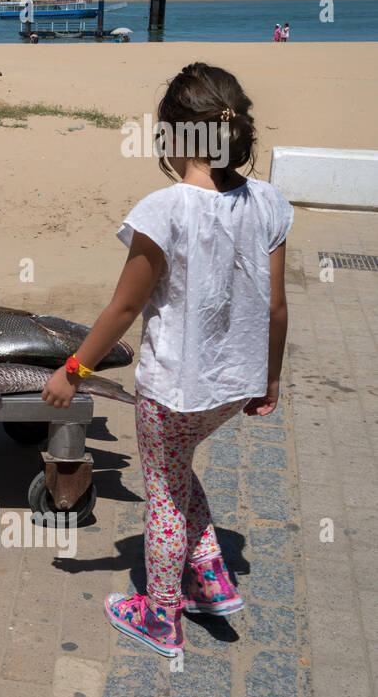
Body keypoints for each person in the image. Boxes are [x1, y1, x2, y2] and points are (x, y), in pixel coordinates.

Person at [42, 63, 292, 658]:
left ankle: (160, 615)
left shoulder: (165, 209)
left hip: (174, 389)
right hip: (234, 387)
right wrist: (270, 377)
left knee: (162, 491)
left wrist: (73, 371)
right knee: (177, 471)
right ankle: (209, 578)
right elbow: (277, 308)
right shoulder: (270, 203)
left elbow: (123, 308)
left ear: (175, 136)